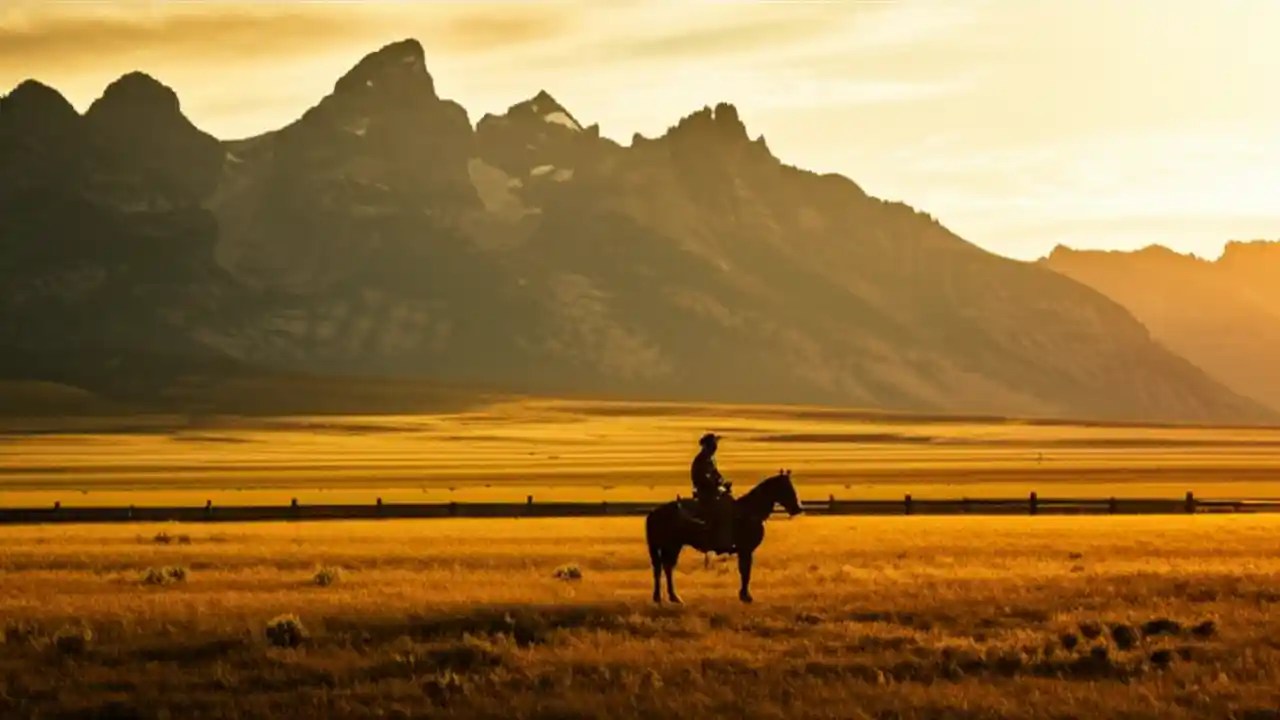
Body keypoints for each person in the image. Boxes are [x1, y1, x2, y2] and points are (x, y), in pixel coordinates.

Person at [691, 432, 734, 553]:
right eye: (713, 445)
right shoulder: (700, 460)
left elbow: (716, 475)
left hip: (711, 491)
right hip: (705, 493)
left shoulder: (709, 460)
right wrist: (716, 485)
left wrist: (723, 483)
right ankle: (720, 541)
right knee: (721, 510)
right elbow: (701, 478)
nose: (715, 447)